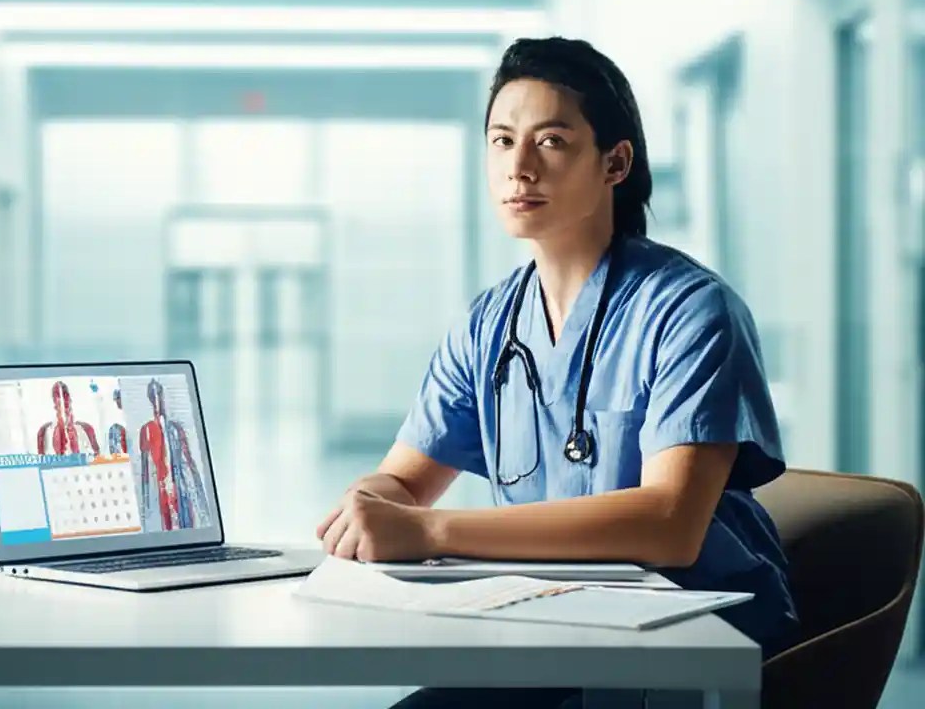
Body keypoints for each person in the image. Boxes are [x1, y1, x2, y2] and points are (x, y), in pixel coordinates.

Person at [315, 37, 798, 709]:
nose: (519, 168)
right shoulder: (489, 324)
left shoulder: (690, 311)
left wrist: (429, 532)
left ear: (615, 162)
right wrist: (370, 502)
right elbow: (404, 479)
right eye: (502, 140)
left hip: (688, 636)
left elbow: (670, 525)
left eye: (552, 142)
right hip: (551, 623)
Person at [137, 378, 212, 530]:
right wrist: (145, 504)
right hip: (161, 488)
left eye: (159, 395)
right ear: (150, 399)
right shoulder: (146, 430)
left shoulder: (175, 428)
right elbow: (145, 471)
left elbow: (190, 462)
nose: (158, 402)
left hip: (179, 487)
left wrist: (198, 494)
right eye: (154, 397)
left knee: (186, 522)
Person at [35, 380, 101, 458]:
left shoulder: (86, 429)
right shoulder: (44, 431)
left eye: (66, 398)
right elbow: (42, 461)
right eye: (58, 400)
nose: (63, 403)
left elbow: (97, 458)